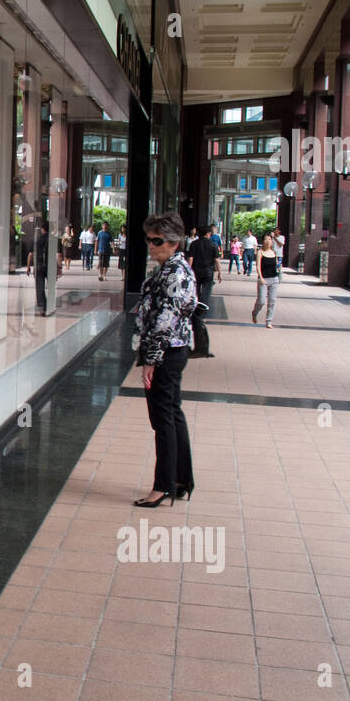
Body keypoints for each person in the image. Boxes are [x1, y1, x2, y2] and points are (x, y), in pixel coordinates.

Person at [132, 212, 197, 507]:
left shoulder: (175, 272)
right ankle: (181, 480)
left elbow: (166, 319)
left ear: (172, 242)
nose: (150, 244)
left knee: (163, 419)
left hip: (167, 352)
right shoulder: (171, 267)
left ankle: (163, 486)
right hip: (172, 350)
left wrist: (151, 359)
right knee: (172, 413)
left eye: (155, 240)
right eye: (148, 238)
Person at [186, 222, 221, 309]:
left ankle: (195, 306)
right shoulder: (213, 245)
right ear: (208, 233)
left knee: (195, 290)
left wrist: (188, 271)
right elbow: (217, 260)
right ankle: (202, 309)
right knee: (206, 292)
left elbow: (190, 259)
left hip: (196, 271)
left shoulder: (194, 244)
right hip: (208, 271)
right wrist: (219, 272)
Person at [253, 234, 280, 328]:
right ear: (263, 241)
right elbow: (258, 266)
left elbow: (277, 265)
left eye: (269, 239)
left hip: (274, 279)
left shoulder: (273, 253)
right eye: (266, 239)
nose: (268, 241)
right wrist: (260, 277)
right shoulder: (260, 252)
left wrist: (279, 269)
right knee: (261, 301)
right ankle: (255, 312)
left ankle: (269, 321)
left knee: (272, 301)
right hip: (263, 279)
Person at [27, 220, 50, 312]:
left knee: (40, 286)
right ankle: (49, 304)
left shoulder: (36, 240)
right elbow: (57, 255)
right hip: (49, 266)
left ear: (42, 229)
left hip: (39, 266)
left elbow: (30, 254)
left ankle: (42, 306)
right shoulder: (53, 239)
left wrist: (28, 266)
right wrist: (59, 267)